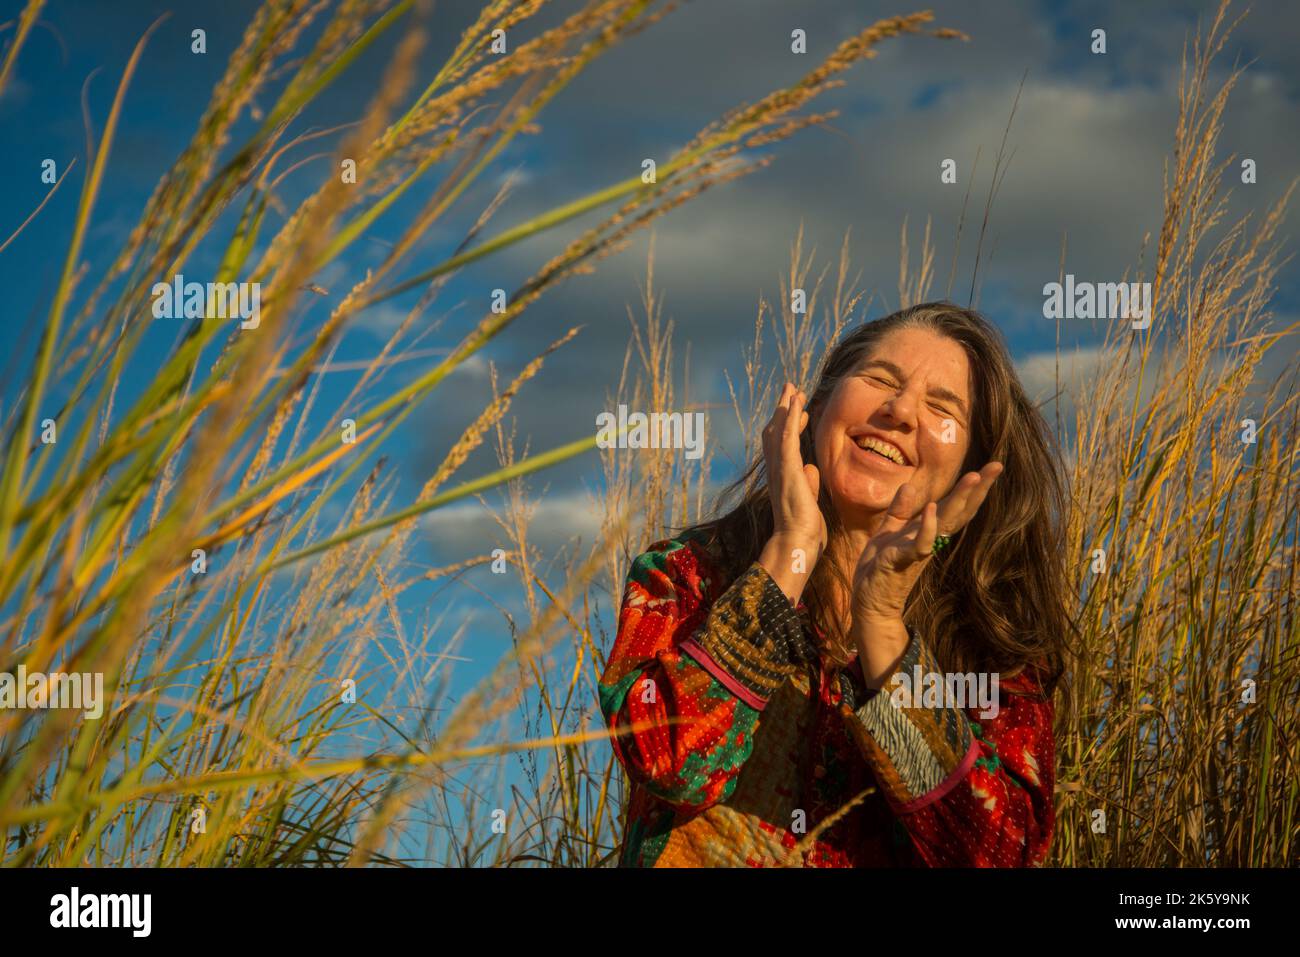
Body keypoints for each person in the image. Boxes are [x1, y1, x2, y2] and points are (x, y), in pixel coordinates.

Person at [598, 301, 1073, 867]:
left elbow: (994, 856)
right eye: (878, 379)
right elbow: (666, 760)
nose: (899, 411)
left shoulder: (996, 648)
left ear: (972, 464)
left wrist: (881, 630)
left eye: (942, 407)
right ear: (817, 407)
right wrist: (788, 559)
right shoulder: (687, 576)